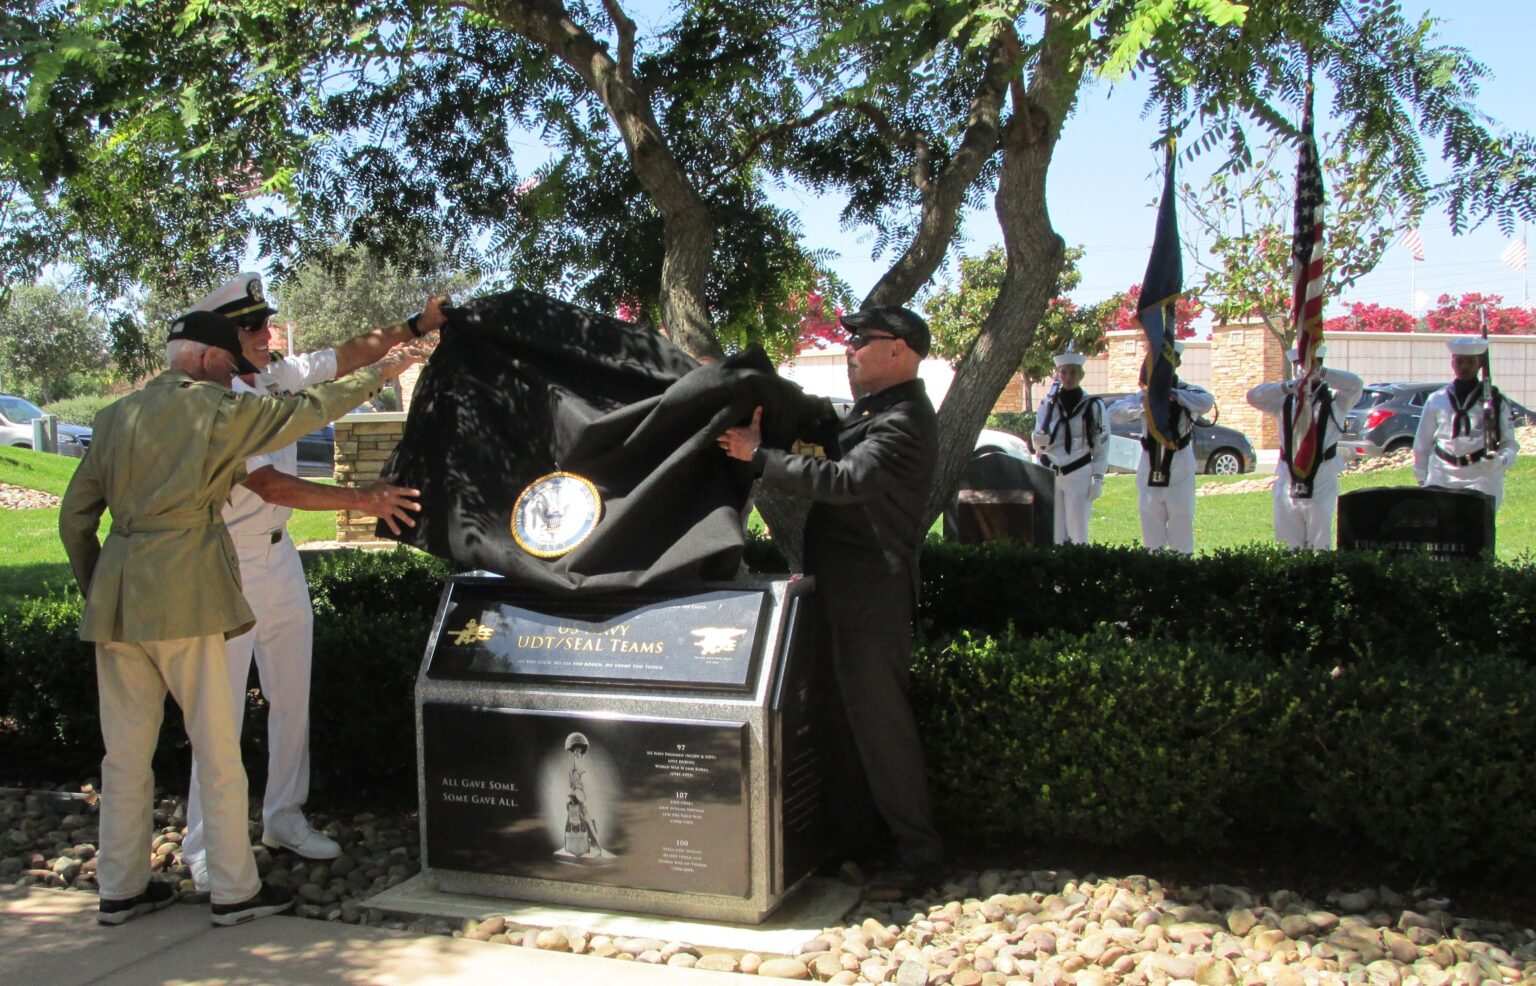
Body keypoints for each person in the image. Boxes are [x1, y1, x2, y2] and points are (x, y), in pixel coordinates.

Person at [58, 310, 417, 927]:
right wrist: (381, 374)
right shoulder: (215, 410)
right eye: (227, 361)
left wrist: (99, 587)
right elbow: (307, 412)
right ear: (202, 357)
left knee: (124, 756)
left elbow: (74, 519)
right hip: (190, 595)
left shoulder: (114, 417)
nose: (233, 374)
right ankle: (233, 891)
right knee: (218, 745)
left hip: (119, 602)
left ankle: (119, 889)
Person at [180, 274, 445, 889]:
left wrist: (415, 326)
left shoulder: (273, 378)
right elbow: (268, 485)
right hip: (227, 563)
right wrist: (362, 499)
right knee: (218, 710)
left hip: (279, 558)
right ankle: (204, 840)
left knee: (290, 696)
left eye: (266, 323)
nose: (266, 335)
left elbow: (343, 356)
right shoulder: (212, 402)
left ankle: (283, 816)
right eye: (253, 327)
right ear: (223, 337)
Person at [717, 305, 943, 896]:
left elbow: (845, 481)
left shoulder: (905, 420)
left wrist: (758, 457)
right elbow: (827, 439)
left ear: (898, 350)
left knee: (879, 725)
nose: (851, 349)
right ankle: (857, 847)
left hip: (871, 595)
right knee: (841, 723)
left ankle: (919, 856)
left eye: (863, 340)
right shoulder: (875, 413)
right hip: (843, 587)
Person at [1246, 347, 1364, 549]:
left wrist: (1323, 373)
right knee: (1288, 539)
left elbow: (1355, 384)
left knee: (1319, 536)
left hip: (1322, 473)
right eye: (1301, 365)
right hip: (1288, 473)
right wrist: (1286, 387)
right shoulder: (1284, 400)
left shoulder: (1336, 401)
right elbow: (1253, 397)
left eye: (1312, 364)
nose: (1306, 370)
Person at [1107, 342, 1214, 554]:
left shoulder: (1188, 392)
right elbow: (1114, 413)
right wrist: (1146, 403)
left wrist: (1173, 394)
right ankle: (1153, 567)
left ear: (1177, 363)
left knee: (1181, 522)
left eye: (1168, 361)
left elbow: (1206, 402)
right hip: (1150, 463)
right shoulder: (1145, 395)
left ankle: (1181, 567)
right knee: (1150, 523)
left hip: (1179, 463)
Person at [1413, 335, 1520, 509]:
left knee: (1477, 525)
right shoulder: (1437, 399)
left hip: (1482, 476)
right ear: (1452, 363)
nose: (1464, 366)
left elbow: (1510, 443)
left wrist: (1501, 460)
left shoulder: (1496, 401)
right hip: (1442, 474)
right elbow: (1422, 442)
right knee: (1442, 525)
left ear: (1480, 364)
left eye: (1470, 362)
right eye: (1459, 361)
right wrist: (1421, 476)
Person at [1030, 346, 1108, 544]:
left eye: (1073, 372)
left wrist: (1098, 477)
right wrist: (1038, 441)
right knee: (1054, 532)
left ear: (1081, 375)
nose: (1068, 377)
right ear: (1058, 374)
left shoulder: (1093, 405)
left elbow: (1101, 444)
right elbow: (1038, 438)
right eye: (1064, 372)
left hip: (1078, 471)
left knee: (1077, 530)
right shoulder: (1048, 404)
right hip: (1052, 472)